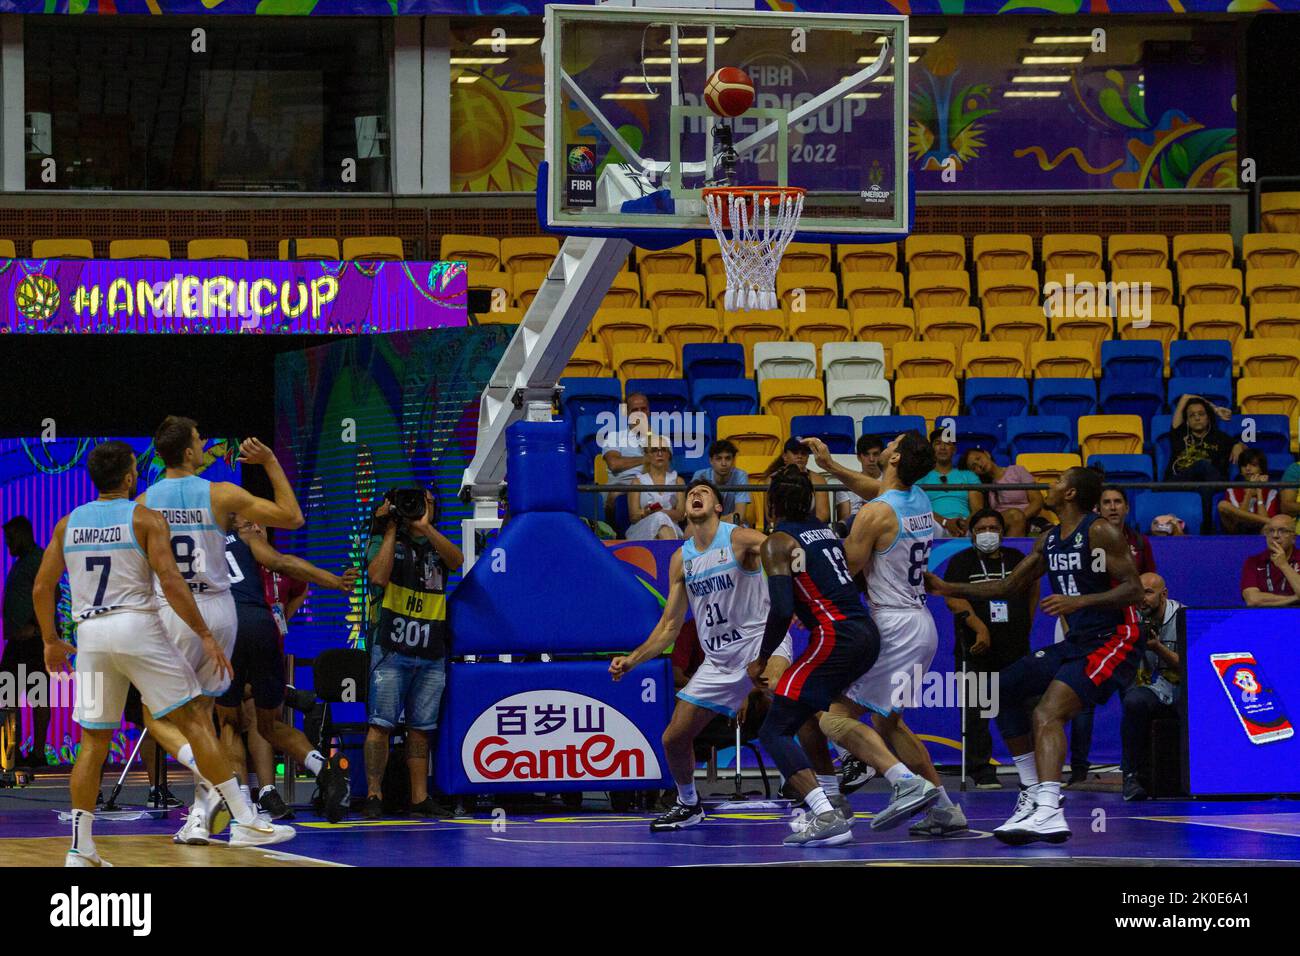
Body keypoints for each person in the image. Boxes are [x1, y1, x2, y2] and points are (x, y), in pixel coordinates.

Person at [33, 440, 293, 866]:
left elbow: (43, 588)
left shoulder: (68, 523)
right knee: (193, 718)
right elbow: (172, 581)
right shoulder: (144, 517)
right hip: (136, 626)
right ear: (130, 476)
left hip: (91, 634)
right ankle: (245, 819)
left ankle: (81, 849)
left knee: (92, 743)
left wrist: (50, 640)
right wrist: (204, 635)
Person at [925, 465, 1143, 845]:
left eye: (1058, 482)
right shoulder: (1050, 538)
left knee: (1047, 712)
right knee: (1001, 688)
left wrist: (1080, 601)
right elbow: (1009, 584)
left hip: (1116, 638)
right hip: (1079, 641)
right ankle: (1030, 793)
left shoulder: (1100, 531)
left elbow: (1134, 589)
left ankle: (1049, 806)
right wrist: (946, 586)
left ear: (1072, 494)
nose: (1049, 487)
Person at [139, 417, 306, 846]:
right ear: (190, 451)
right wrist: (269, 462)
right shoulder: (220, 493)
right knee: (203, 719)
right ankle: (201, 814)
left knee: (160, 715)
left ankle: (222, 796)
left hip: (175, 610)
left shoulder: (143, 502)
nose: (204, 444)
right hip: (218, 609)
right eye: (200, 439)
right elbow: (292, 517)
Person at [609, 478, 793, 831]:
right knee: (674, 738)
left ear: (718, 506)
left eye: (704, 492)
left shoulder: (738, 537)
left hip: (758, 643)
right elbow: (668, 627)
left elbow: (779, 547)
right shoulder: (681, 559)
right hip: (719, 661)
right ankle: (689, 802)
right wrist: (632, 660)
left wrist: (789, 593)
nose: (695, 494)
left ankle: (828, 786)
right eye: (690, 492)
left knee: (789, 699)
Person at [751, 464, 882, 847]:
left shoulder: (777, 542)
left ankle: (824, 813)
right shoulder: (824, 532)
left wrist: (762, 657)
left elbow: (779, 610)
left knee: (773, 729)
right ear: (809, 500)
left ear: (772, 503)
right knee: (807, 712)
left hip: (834, 635)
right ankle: (834, 797)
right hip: (864, 630)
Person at [216, 516, 357, 821]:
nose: (257, 528)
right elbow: (286, 562)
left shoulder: (204, 543)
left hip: (228, 628)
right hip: (264, 627)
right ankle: (324, 768)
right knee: (269, 725)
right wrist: (334, 581)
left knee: (228, 723)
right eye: (252, 524)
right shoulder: (248, 544)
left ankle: (242, 807)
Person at [365, 487, 463, 819]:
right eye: (415, 503)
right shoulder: (384, 540)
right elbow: (377, 576)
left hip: (431, 650)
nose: (420, 507)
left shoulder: (436, 544)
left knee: (421, 727)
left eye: (427, 502)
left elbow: (457, 561)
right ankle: (374, 794)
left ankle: (420, 797)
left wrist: (425, 529)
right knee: (381, 724)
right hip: (392, 648)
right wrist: (392, 527)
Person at [942, 508, 1035, 791]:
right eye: (981, 529)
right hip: (976, 648)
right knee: (977, 711)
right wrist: (979, 627)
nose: (987, 534)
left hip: (1015, 648)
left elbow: (1032, 590)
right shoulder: (961, 562)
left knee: (1022, 709)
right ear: (971, 534)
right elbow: (953, 598)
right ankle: (981, 770)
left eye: (993, 528)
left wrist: (1025, 624)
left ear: (1002, 532)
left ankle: (1029, 773)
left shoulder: (1017, 559)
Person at [1121, 573, 1183, 802]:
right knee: (1132, 701)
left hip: (1184, 686)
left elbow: (1190, 667)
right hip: (1155, 686)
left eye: (1148, 592)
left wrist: (1157, 647)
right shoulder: (1131, 618)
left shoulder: (1183, 616)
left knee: (1189, 703)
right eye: (1138, 593)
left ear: (1163, 595)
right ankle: (1131, 776)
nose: (1142, 598)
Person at [1, 516, 50, 769]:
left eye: (10, 538)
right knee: (6, 695)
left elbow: (51, 593)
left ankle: (38, 753)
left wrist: (38, 629)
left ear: (22, 535)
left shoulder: (37, 560)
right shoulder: (24, 562)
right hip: (19, 642)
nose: (8, 542)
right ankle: (11, 751)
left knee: (37, 696)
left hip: (32, 642)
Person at [1165, 394, 1244, 532]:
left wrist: (1239, 445)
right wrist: (1215, 408)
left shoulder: (1220, 438)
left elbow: (1247, 449)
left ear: (1208, 418)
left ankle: (1206, 527)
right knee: (1202, 465)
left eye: (1201, 414)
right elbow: (1184, 397)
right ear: (1187, 421)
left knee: (1205, 488)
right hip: (1179, 482)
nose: (1197, 417)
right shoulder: (1179, 434)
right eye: (1192, 415)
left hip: (1209, 485)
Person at [961, 448, 1042, 537]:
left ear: (987, 454)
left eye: (978, 458)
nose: (979, 465)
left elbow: (1037, 501)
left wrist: (1021, 519)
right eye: (974, 466)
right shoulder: (982, 486)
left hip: (1028, 518)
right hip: (1000, 523)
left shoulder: (1017, 470)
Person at [918, 430, 983, 538]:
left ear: (954, 450)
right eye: (938, 443)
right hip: (934, 525)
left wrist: (966, 523)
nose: (942, 447)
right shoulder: (921, 477)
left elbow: (977, 509)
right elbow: (920, 510)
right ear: (931, 449)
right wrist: (945, 522)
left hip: (965, 525)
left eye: (947, 443)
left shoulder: (969, 475)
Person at [601, 391, 651, 525]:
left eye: (643, 409)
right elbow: (614, 464)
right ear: (627, 413)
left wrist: (647, 436)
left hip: (651, 484)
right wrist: (645, 459)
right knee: (615, 494)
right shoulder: (614, 437)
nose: (640, 413)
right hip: (622, 485)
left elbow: (661, 468)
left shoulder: (661, 440)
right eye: (635, 410)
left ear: (649, 411)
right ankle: (614, 533)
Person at [626, 436, 684, 540]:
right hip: (643, 528)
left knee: (660, 518)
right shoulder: (637, 482)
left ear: (669, 455)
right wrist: (647, 512)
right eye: (654, 450)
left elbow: (680, 514)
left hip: (672, 527)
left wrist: (660, 512)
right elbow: (633, 516)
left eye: (663, 450)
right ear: (647, 456)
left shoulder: (678, 481)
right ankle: (673, 554)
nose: (660, 454)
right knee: (659, 518)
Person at [1240, 514, 1300, 607]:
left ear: (1293, 538)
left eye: (1282, 531)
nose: (1275, 536)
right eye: (1271, 531)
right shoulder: (1254, 562)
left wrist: (1284, 565)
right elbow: (1253, 600)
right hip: (1263, 618)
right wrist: (1295, 598)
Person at [767, 438, 831, 524]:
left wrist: (802, 530)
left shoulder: (818, 480)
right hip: (782, 528)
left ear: (808, 457)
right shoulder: (772, 479)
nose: (800, 456)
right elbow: (771, 516)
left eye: (803, 453)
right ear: (784, 456)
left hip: (809, 528)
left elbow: (823, 515)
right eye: (795, 452)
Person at [1218, 449, 1279, 534]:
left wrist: (1259, 491)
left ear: (1261, 469)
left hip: (1261, 530)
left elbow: (1265, 523)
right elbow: (1239, 519)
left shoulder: (1271, 493)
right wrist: (1249, 490)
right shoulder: (1232, 491)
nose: (1247, 469)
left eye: (1253, 465)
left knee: (1268, 528)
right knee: (1222, 505)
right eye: (1244, 465)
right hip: (1237, 530)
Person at [692, 439, 750, 527]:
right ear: (711, 461)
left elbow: (739, 517)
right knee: (690, 530)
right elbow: (695, 515)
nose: (723, 463)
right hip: (706, 526)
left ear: (734, 460)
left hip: (733, 526)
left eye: (728, 458)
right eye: (718, 458)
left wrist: (708, 519)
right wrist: (727, 518)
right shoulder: (700, 476)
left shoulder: (740, 475)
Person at [1099, 487, 1157, 575]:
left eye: (1117, 501)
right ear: (1099, 510)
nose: (1113, 507)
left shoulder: (1140, 541)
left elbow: (1150, 576)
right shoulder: (1090, 542)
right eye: (1107, 502)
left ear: (1127, 508)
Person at [835, 434, 884, 525]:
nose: (871, 459)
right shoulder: (845, 482)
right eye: (866, 454)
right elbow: (845, 518)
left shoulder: (890, 480)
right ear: (858, 457)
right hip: (855, 528)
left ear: (882, 456)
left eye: (875, 454)